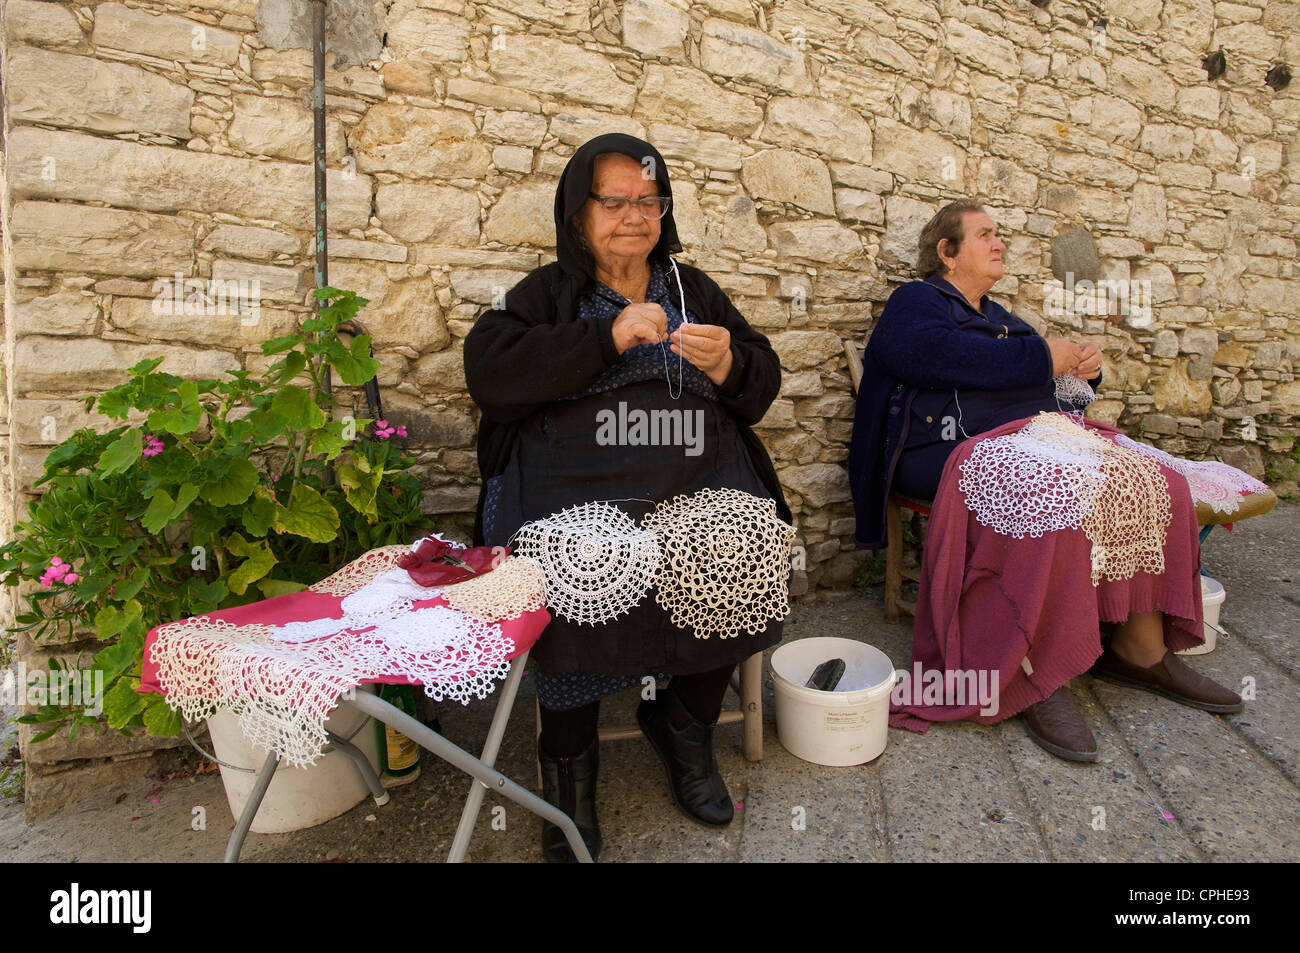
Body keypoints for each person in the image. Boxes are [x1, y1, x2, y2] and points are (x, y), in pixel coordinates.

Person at [464, 134, 790, 861]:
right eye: (614, 201)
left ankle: (683, 724)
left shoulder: (692, 288)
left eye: (648, 201)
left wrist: (729, 363)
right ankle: (568, 765)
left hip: (695, 479)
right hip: (573, 482)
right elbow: (489, 372)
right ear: (579, 214)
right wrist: (605, 337)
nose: (633, 215)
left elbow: (761, 380)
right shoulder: (546, 294)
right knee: (569, 554)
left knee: (746, 539)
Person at [849, 200, 1242, 763]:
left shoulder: (1003, 318)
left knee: (1157, 480)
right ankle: (1031, 669)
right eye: (985, 235)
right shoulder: (917, 301)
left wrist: (1081, 369)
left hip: (1029, 439)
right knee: (1046, 495)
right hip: (945, 449)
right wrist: (1041, 356)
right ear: (947, 252)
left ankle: (1140, 648)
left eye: (999, 234)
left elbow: (1042, 386)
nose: (1000, 243)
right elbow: (928, 355)